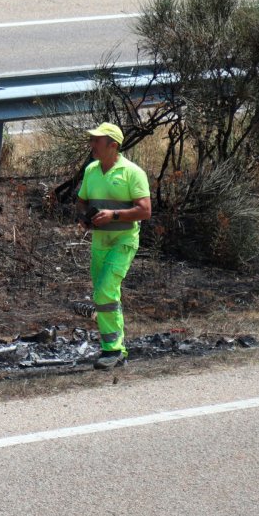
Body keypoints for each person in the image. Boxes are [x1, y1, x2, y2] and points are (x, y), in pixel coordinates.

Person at [76, 122, 151, 370]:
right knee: (104, 294)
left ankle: (114, 350)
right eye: (92, 139)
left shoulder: (132, 172)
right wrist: (84, 217)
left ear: (113, 145)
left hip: (123, 241)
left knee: (105, 291)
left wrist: (114, 215)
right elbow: (81, 201)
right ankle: (114, 348)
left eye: (96, 140)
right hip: (100, 242)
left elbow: (145, 211)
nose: (92, 144)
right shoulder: (91, 170)